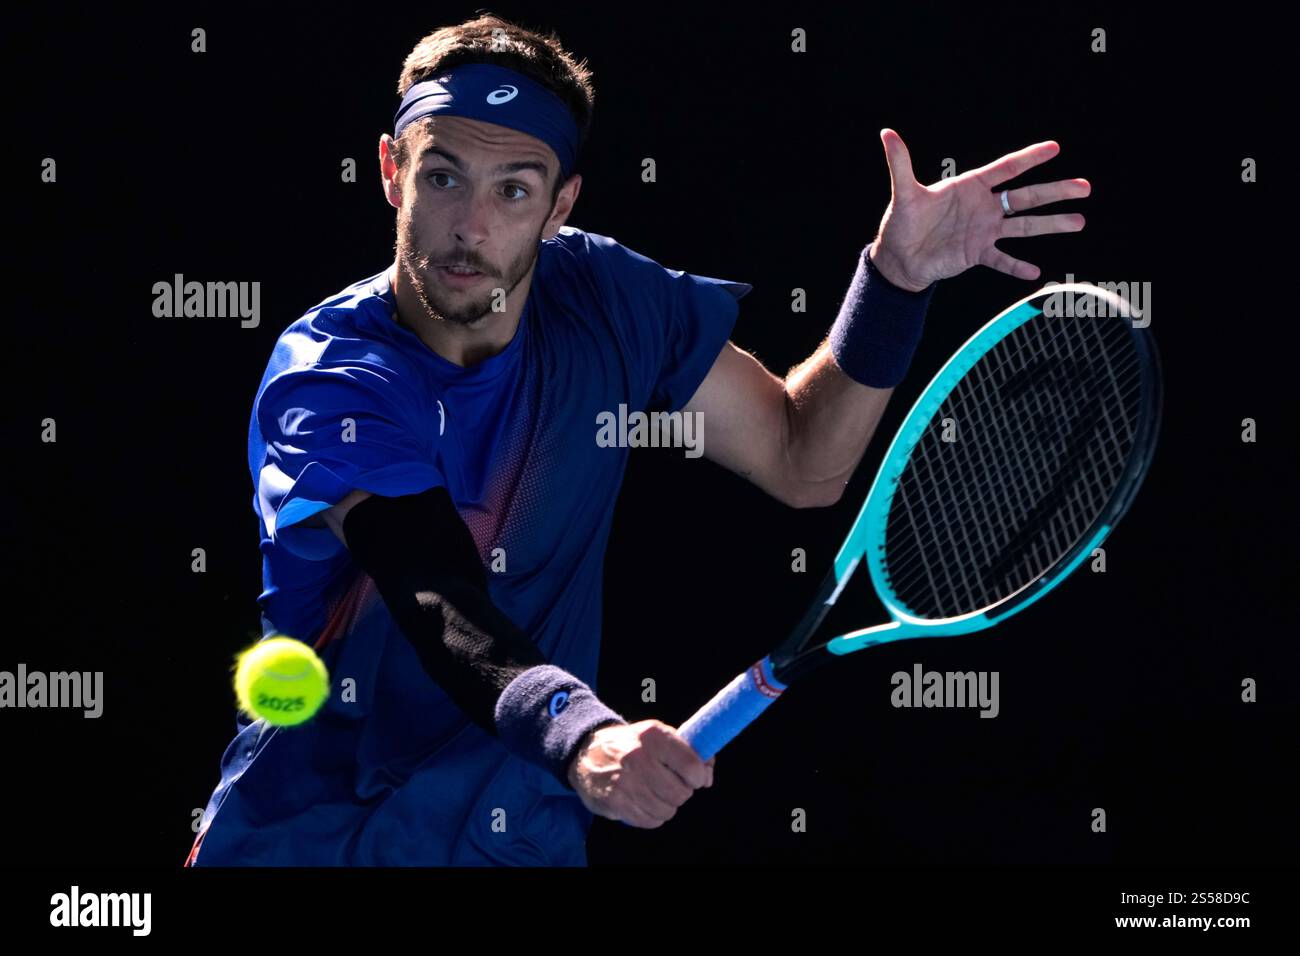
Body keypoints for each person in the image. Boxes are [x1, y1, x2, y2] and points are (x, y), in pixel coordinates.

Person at [187, 13, 1083, 866]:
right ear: (391, 170)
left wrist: (894, 284)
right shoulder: (333, 376)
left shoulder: (607, 298)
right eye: (442, 175)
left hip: (518, 844)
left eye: (514, 190)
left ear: (560, 202)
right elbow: (437, 597)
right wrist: (583, 735)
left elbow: (803, 461)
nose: (471, 226)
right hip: (312, 843)